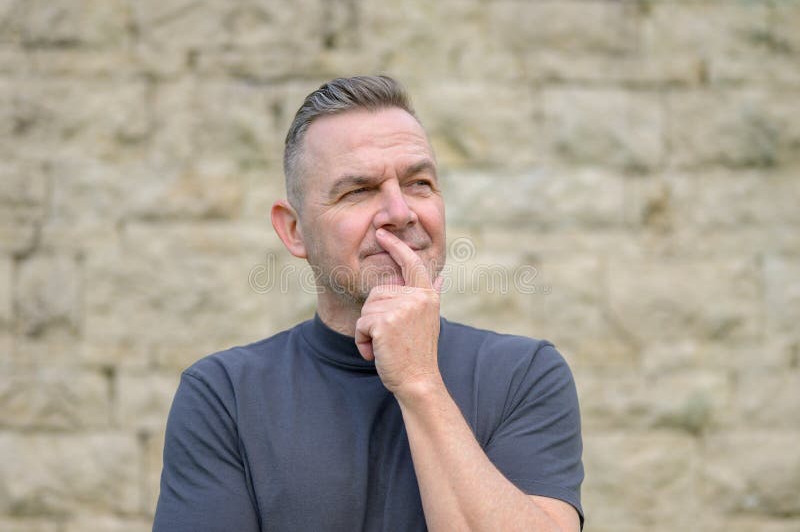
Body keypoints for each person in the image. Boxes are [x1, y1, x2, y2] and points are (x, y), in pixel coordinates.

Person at [153, 75, 584, 531]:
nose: (400, 213)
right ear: (294, 230)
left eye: (418, 183)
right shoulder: (225, 396)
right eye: (357, 191)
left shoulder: (523, 374)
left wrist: (419, 381)